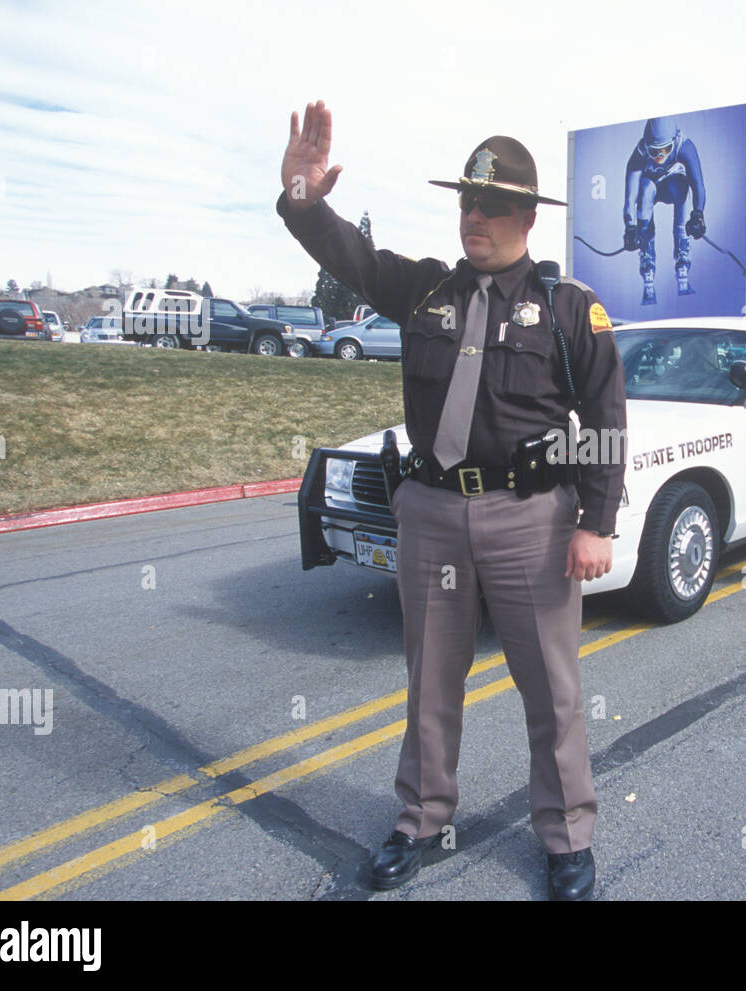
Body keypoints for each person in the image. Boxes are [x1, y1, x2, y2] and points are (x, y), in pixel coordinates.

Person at [277, 101, 626, 901]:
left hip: (531, 520)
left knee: (552, 689)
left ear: (527, 216)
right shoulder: (427, 289)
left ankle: (568, 836)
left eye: (493, 203)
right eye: (467, 200)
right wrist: (305, 199)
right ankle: (421, 818)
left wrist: (597, 522)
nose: (475, 216)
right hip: (432, 513)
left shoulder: (571, 308)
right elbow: (353, 257)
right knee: (430, 678)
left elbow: (607, 415)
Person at [622, 116, 707, 305]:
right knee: (644, 189)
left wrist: (698, 214)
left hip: (675, 187)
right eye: (654, 151)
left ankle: (682, 258)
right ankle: (647, 261)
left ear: (674, 141)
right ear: (646, 146)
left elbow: (697, 183)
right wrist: (631, 226)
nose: (660, 156)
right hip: (650, 187)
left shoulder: (684, 146)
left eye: (665, 150)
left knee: (682, 187)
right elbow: (630, 195)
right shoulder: (640, 152)